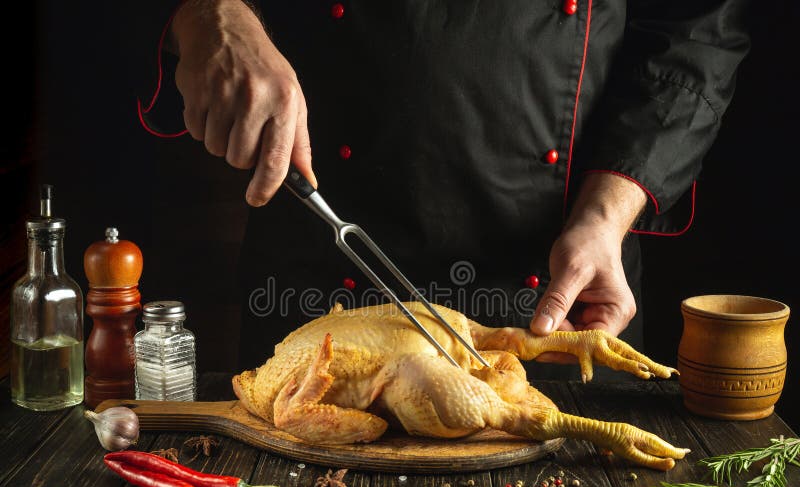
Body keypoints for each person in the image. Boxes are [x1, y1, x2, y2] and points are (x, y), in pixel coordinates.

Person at [140, 0, 752, 376]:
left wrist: (608, 212)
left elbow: (700, 26)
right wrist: (208, 11)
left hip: (557, 298)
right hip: (315, 286)